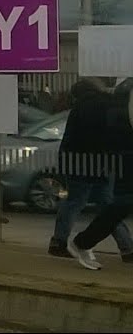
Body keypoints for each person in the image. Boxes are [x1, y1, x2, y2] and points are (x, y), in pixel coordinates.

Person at [50, 78, 133, 261]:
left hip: (79, 163)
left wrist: (64, 165)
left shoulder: (80, 108)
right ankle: (126, 247)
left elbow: (71, 138)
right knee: (109, 205)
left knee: (75, 202)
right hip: (102, 163)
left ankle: (59, 241)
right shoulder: (106, 105)